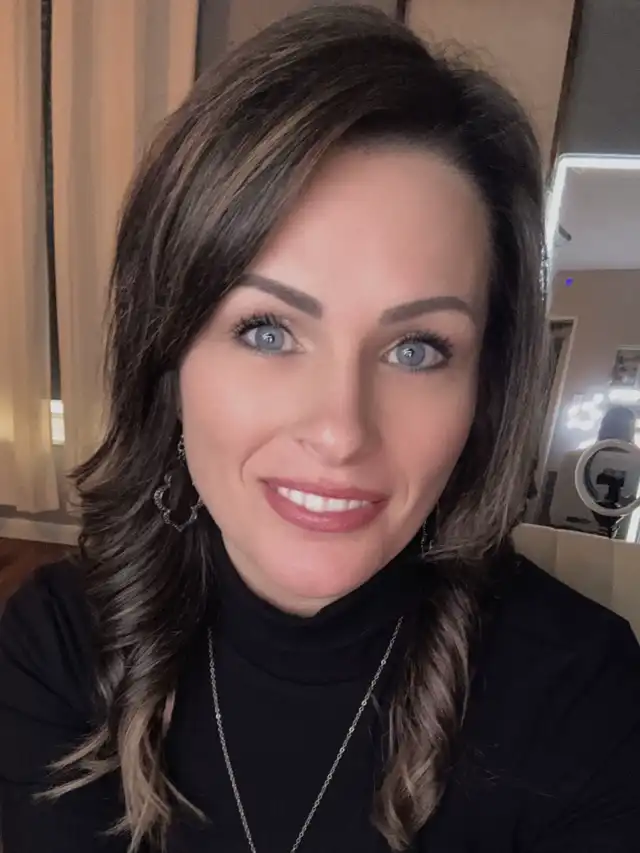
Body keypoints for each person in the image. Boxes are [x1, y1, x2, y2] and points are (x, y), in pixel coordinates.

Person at [1, 6, 639, 852]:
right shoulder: (53, 648)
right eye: (267, 331)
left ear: (484, 389)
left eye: (417, 348)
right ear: (169, 357)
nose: (341, 431)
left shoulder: (583, 693)